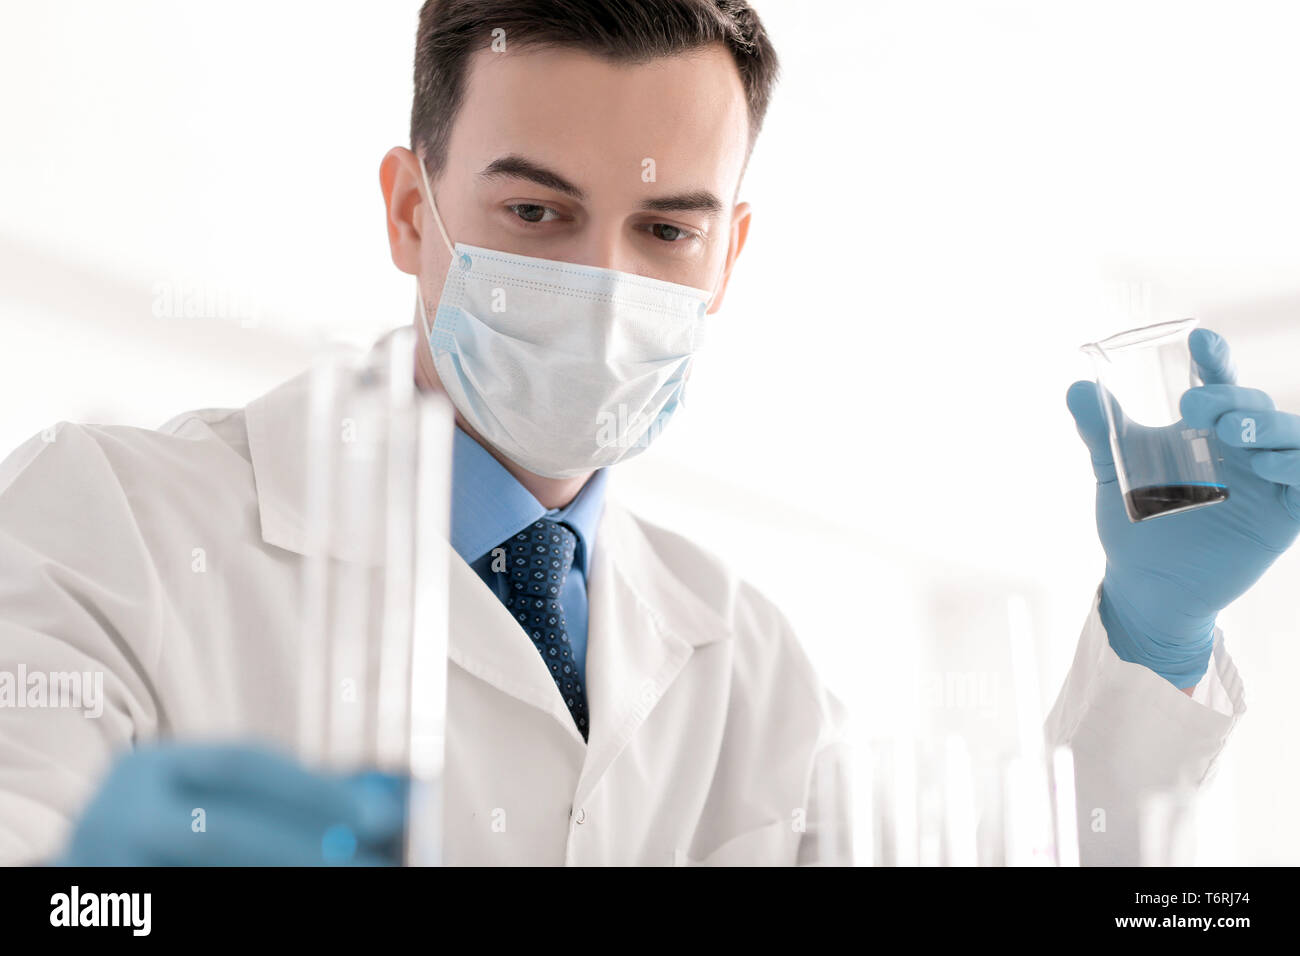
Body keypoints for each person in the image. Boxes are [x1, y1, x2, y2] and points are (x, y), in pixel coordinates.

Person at [2, 0, 1297, 867]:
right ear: (410, 211)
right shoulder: (104, 523)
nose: (608, 283)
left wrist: (1155, 637)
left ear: (728, 256)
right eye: (536, 214)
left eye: (667, 228)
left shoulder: (752, 664)